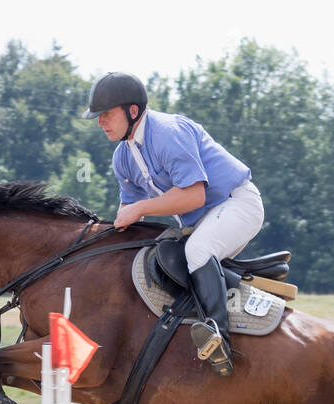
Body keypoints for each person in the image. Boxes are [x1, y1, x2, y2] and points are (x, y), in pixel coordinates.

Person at [83, 71, 264, 377]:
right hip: (204, 219)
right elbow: (129, 210)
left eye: (107, 114)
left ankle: (219, 338)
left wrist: (138, 208)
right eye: (98, 116)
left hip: (237, 204)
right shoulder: (122, 157)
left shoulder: (166, 132)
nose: (101, 122)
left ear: (133, 111)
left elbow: (194, 195)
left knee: (197, 250)